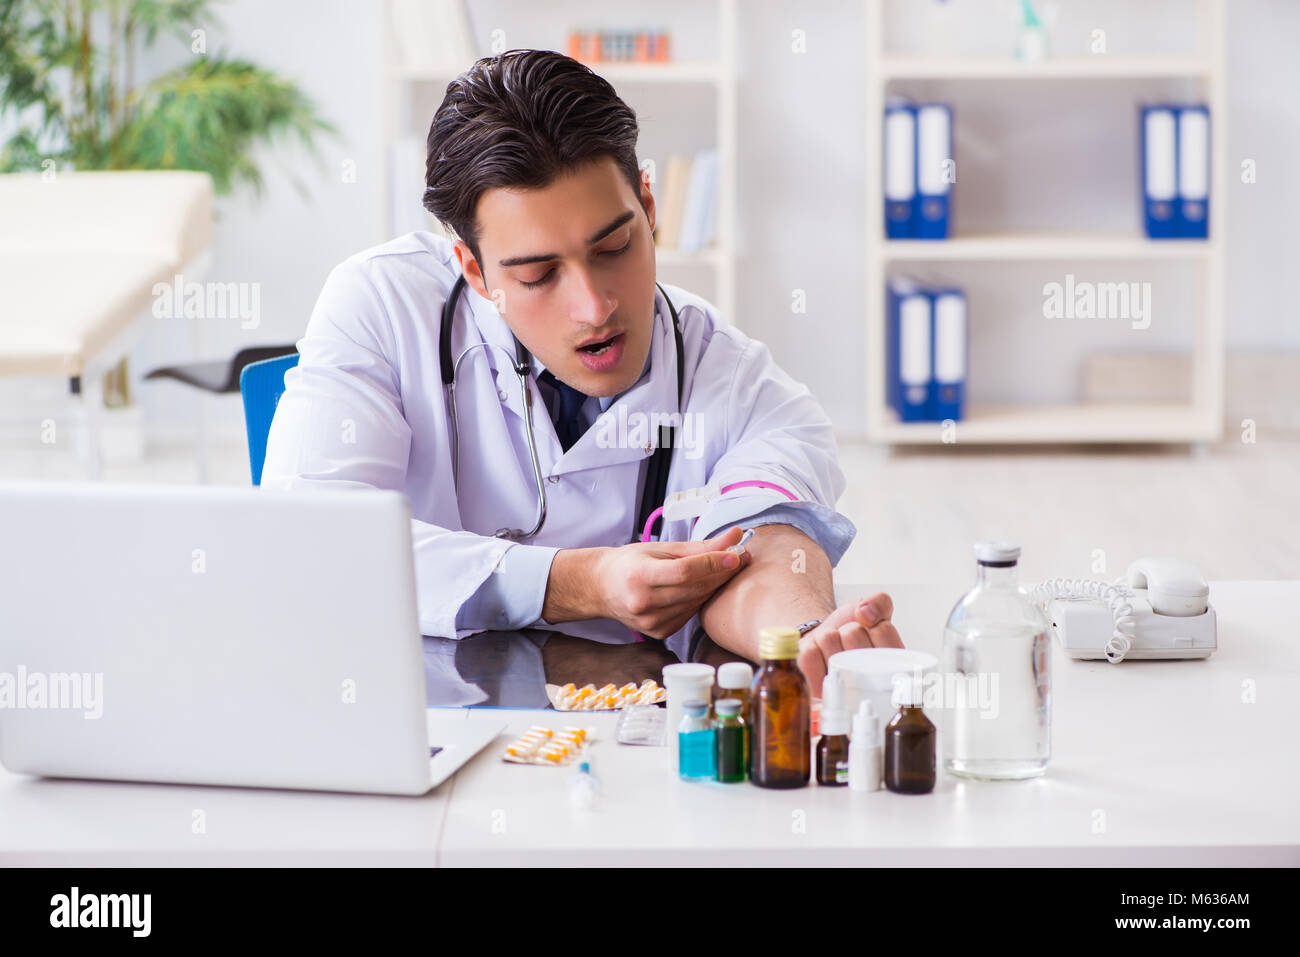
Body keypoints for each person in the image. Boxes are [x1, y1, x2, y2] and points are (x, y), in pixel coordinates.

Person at [261, 49, 902, 698]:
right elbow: (311, 543)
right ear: (474, 268)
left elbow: (770, 545)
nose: (594, 307)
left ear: (649, 207)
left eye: (614, 247)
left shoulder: (736, 383)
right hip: (406, 718)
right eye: (538, 274)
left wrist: (809, 635)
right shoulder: (381, 306)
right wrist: (578, 580)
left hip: (625, 743)